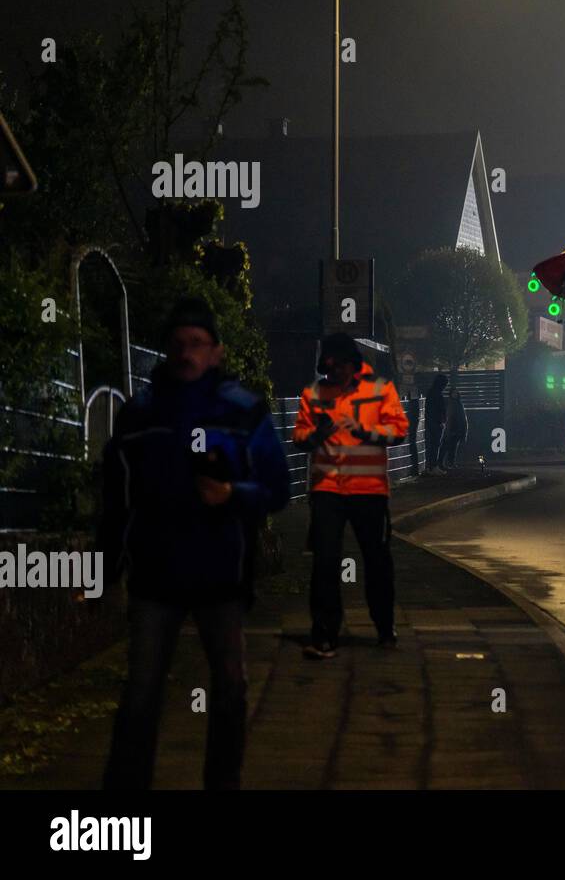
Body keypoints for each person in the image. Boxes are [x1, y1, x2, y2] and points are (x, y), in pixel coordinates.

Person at [97, 297, 290, 790]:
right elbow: (115, 493)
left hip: (219, 574)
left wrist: (232, 494)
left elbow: (278, 488)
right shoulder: (140, 414)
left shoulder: (243, 413)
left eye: (197, 344)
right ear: (166, 350)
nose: (187, 353)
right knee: (141, 691)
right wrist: (108, 563)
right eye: (178, 344)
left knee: (230, 686)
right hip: (155, 573)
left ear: (217, 352)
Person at [293, 333, 409, 659]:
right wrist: (318, 433)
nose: (334, 375)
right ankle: (325, 633)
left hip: (369, 491)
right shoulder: (314, 394)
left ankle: (385, 628)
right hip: (327, 489)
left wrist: (363, 432)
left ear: (352, 364)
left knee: (377, 562)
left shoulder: (379, 390)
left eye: (339, 367)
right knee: (325, 562)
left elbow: (399, 429)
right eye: (329, 369)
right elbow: (299, 438)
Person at [438, 386, 468, 470]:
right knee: (447, 447)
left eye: (456, 393)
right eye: (453, 393)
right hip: (451, 429)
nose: (455, 394)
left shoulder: (457, 403)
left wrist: (463, 430)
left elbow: (462, 417)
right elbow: (450, 416)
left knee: (453, 447)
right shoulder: (453, 403)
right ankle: (444, 463)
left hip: (456, 429)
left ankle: (449, 463)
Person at [423, 373, 448, 474]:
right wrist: (441, 421)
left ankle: (430, 466)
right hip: (437, 423)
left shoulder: (431, 393)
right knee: (436, 444)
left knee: (432, 445)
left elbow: (430, 409)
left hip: (431, 422)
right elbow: (439, 409)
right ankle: (434, 466)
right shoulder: (438, 394)